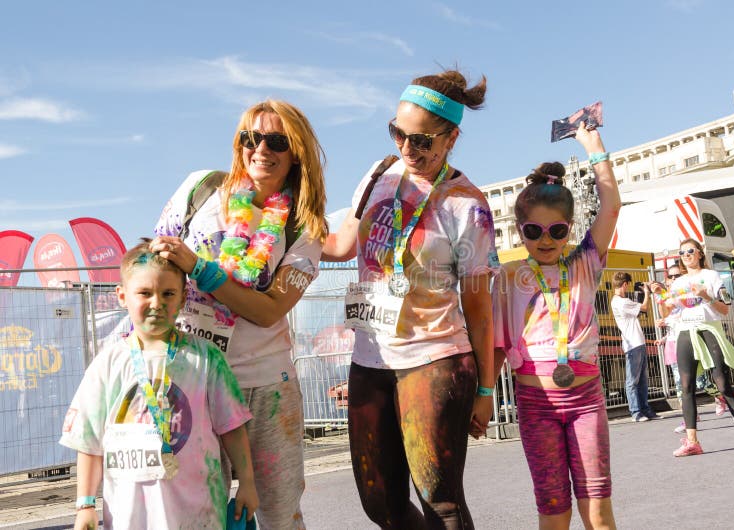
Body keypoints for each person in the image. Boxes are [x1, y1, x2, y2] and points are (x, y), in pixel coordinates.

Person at [322, 69, 498, 528]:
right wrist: (277, 230)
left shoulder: (468, 204)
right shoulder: (380, 174)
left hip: (435, 357)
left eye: (422, 140)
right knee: (379, 502)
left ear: (452, 137)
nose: (407, 148)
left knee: (439, 498)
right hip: (371, 357)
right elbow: (341, 245)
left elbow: (479, 309)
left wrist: (485, 389)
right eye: (398, 133)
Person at [151, 99, 327, 528]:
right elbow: (158, 260)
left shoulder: (305, 228)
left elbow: (269, 312)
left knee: (279, 516)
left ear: (296, 151)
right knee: (194, 514)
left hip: (265, 388)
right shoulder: (201, 188)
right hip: (191, 378)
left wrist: (202, 270)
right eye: (251, 137)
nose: (260, 149)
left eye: (276, 140)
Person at [60, 240, 258, 530]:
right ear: (122, 296)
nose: (157, 303)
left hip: (199, 514)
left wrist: (248, 483)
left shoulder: (207, 359)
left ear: (183, 298)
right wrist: (85, 505)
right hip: (130, 517)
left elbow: (232, 428)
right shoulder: (107, 365)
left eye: (168, 293)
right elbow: (89, 442)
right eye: (144, 293)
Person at [492, 122, 619, 529]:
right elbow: (493, 340)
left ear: (570, 230)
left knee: (597, 512)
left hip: (586, 401)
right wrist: (481, 394)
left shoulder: (584, 264)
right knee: (553, 512)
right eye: (533, 231)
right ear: (519, 231)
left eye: (557, 230)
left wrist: (593, 147)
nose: (545, 240)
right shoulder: (507, 277)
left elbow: (611, 206)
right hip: (536, 405)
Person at [668, 238, 734, 457]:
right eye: (682, 252)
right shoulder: (677, 283)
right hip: (685, 333)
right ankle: (692, 441)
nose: (686, 255)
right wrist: (667, 305)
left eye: (690, 251)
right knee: (686, 388)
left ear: (700, 253)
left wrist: (705, 296)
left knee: (722, 382)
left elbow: (725, 309)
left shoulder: (711, 276)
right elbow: (671, 312)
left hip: (709, 330)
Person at [652, 265, 723, 433]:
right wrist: (663, 333)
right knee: (680, 385)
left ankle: (719, 396)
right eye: (671, 276)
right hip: (673, 342)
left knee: (701, 382)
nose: (674, 279)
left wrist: (667, 321)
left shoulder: (687, 293)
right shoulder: (667, 297)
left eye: (677, 275)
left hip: (689, 339)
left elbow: (680, 318)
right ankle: (689, 418)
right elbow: (666, 316)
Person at [611, 271, 659, 422]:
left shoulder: (621, 300)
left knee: (643, 379)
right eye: (628, 285)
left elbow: (637, 311)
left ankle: (645, 410)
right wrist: (647, 292)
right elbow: (644, 308)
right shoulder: (621, 302)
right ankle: (636, 412)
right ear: (625, 284)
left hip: (638, 342)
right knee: (633, 380)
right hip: (633, 344)